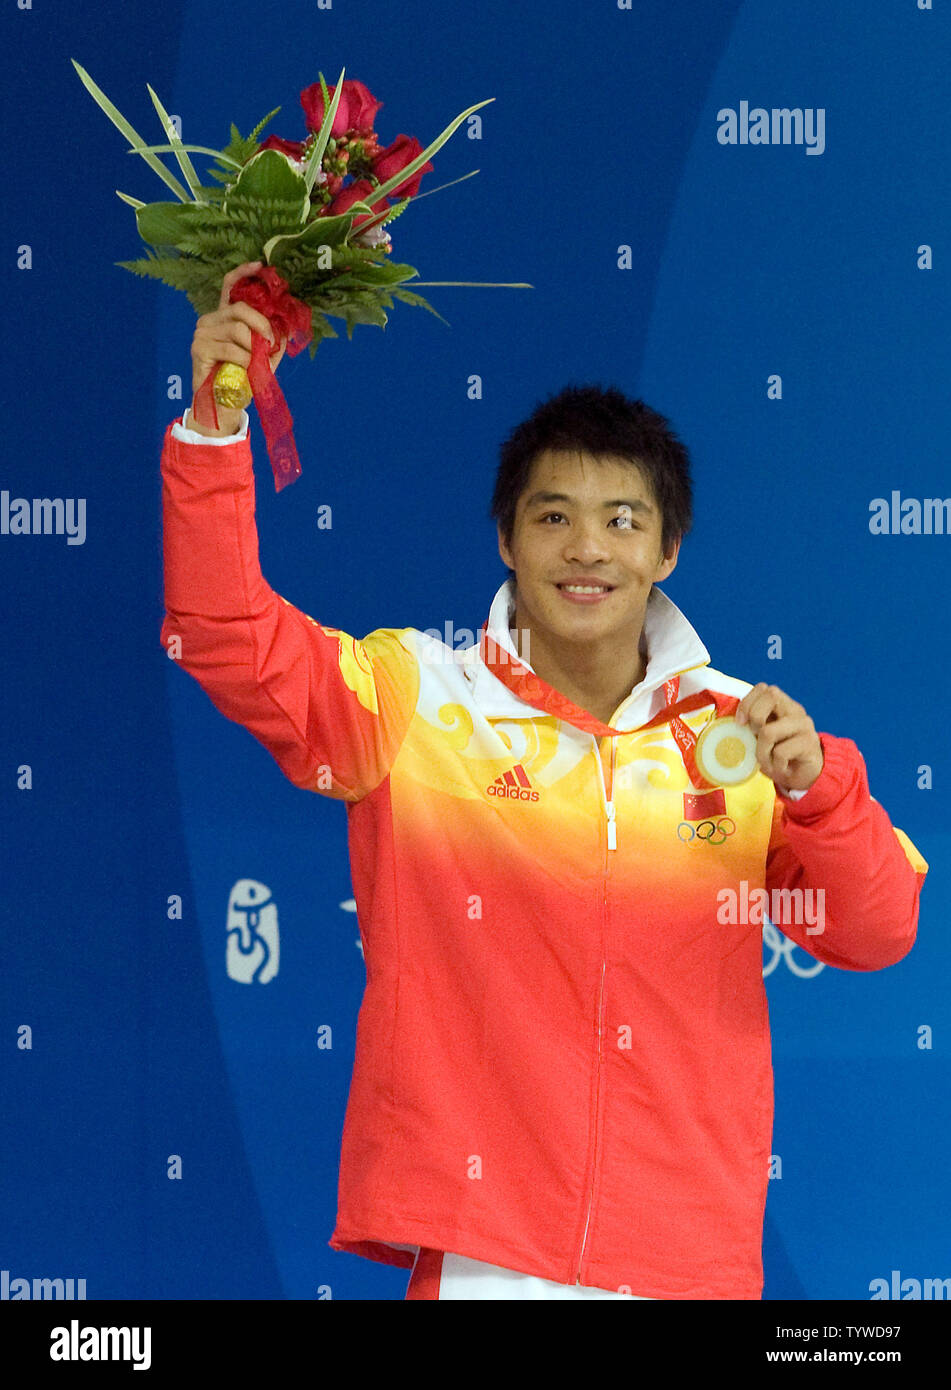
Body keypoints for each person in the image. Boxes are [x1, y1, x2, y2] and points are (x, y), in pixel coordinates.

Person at [160, 262, 928, 1301]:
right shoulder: (414, 698)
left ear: (668, 548)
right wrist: (215, 430)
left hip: (687, 1259)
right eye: (555, 515)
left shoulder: (746, 737)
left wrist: (823, 794)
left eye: (623, 520)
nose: (587, 549)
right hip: (487, 1255)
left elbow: (874, 932)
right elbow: (227, 635)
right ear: (507, 538)